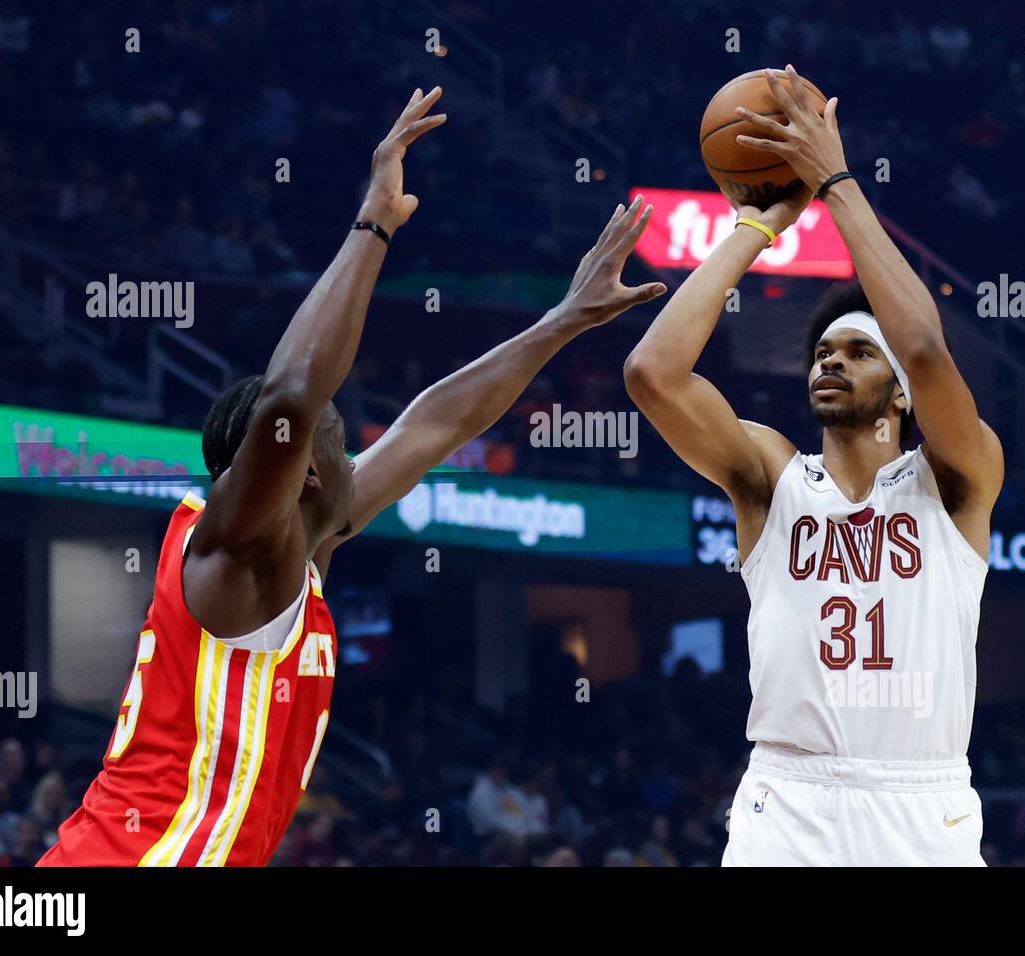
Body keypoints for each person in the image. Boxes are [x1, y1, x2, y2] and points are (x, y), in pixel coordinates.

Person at [38, 86, 666, 867]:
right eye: (337, 439)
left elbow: (436, 423)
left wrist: (564, 319)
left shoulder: (307, 535)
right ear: (293, 469)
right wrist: (373, 224)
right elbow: (295, 395)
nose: (357, 446)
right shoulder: (234, 547)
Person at [624, 67, 1003, 866]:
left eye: (859, 352)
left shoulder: (959, 478)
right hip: (789, 800)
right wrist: (758, 228)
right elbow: (653, 374)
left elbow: (929, 349)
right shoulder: (772, 477)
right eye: (823, 353)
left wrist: (837, 185)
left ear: (898, 395)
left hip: (922, 803)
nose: (830, 363)